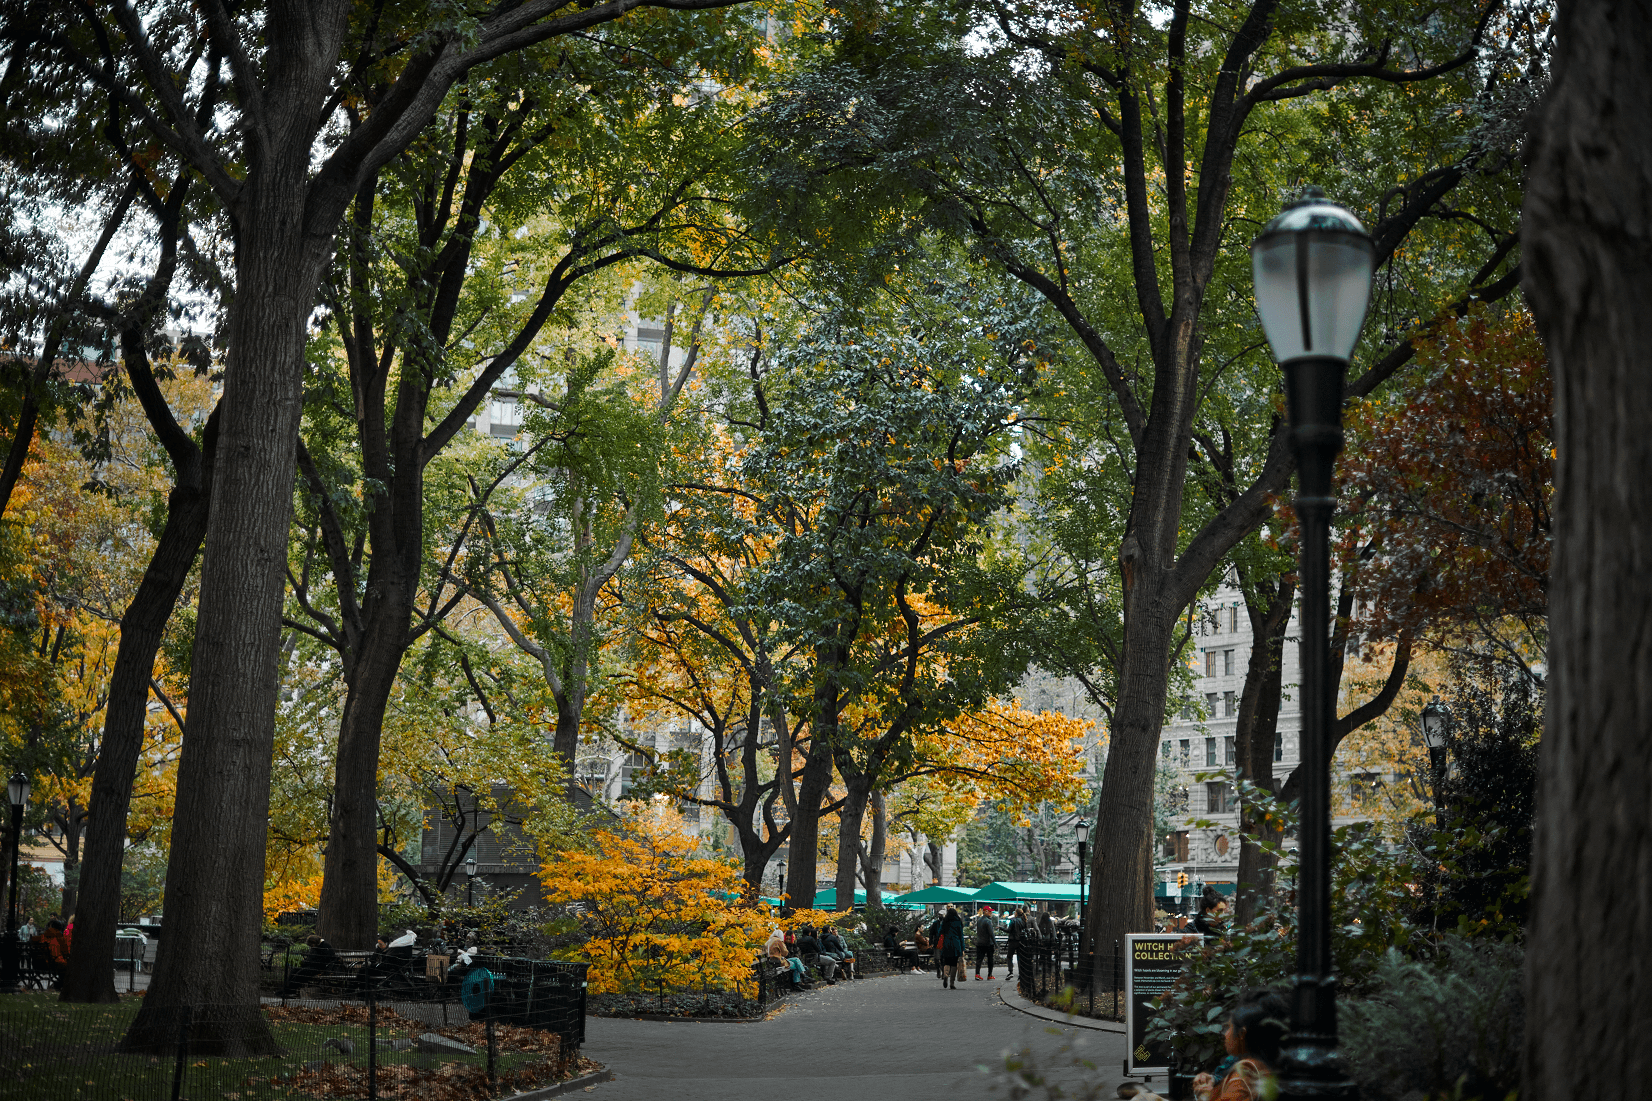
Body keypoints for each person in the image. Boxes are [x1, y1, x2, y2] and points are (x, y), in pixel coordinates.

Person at [1191, 989, 1289, 1101]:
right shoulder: (1274, 1064)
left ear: (1242, 1033)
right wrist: (1213, 1080)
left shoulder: (1244, 1074)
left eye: (1229, 1027)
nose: (1225, 1034)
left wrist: (1204, 1096)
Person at [937, 905, 966, 989]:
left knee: (947, 962)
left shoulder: (945, 921)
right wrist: (963, 948)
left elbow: (939, 932)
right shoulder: (958, 922)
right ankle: (952, 983)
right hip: (956, 944)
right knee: (954, 964)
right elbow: (961, 936)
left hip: (946, 943)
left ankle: (945, 975)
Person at [973, 907, 997, 981]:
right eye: (990, 911)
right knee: (990, 959)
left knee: (979, 959)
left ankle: (977, 974)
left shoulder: (979, 920)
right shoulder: (988, 921)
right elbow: (991, 934)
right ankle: (989, 975)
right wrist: (995, 944)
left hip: (980, 943)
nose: (991, 913)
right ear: (986, 911)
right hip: (988, 943)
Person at [1004, 906, 1024, 979]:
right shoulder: (1023, 921)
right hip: (1020, 941)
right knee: (1019, 957)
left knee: (1009, 956)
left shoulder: (1013, 920)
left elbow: (1008, 930)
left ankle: (1010, 972)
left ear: (1016, 913)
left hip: (1012, 941)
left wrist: (1001, 928)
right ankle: (1020, 973)